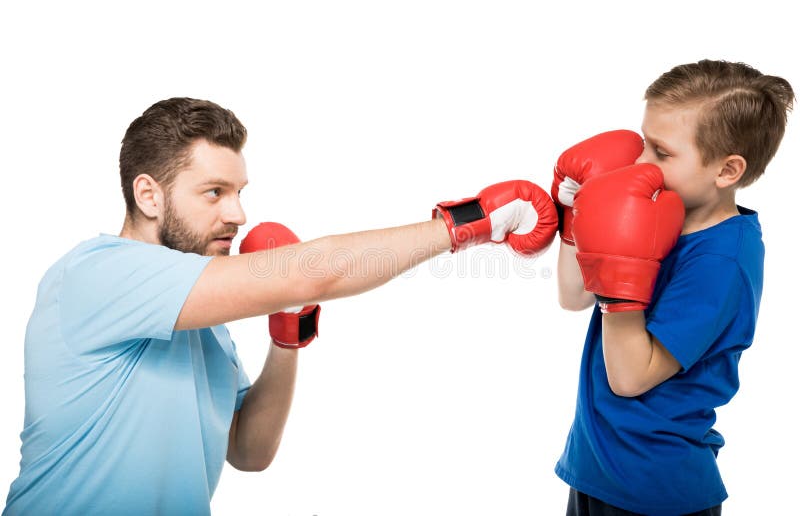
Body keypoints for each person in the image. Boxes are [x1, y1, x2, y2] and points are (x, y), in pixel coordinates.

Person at [3, 97, 558, 515]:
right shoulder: (97, 273)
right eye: (214, 192)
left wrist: (287, 336)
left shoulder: (203, 318)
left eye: (240, 191)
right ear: (148, 195)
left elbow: (249, 450)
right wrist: (471, 221)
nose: (238, 214)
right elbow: (317, 269)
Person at [551, 60, 794, 515]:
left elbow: (629, 378)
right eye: (644, 142)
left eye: (661, 153)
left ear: (727, 171)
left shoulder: (722, 262)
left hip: (656, 490)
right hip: (595, 467)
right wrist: (576, 219)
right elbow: (573, 296)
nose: (641, 162)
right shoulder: (656, 212)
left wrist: (622, 265)